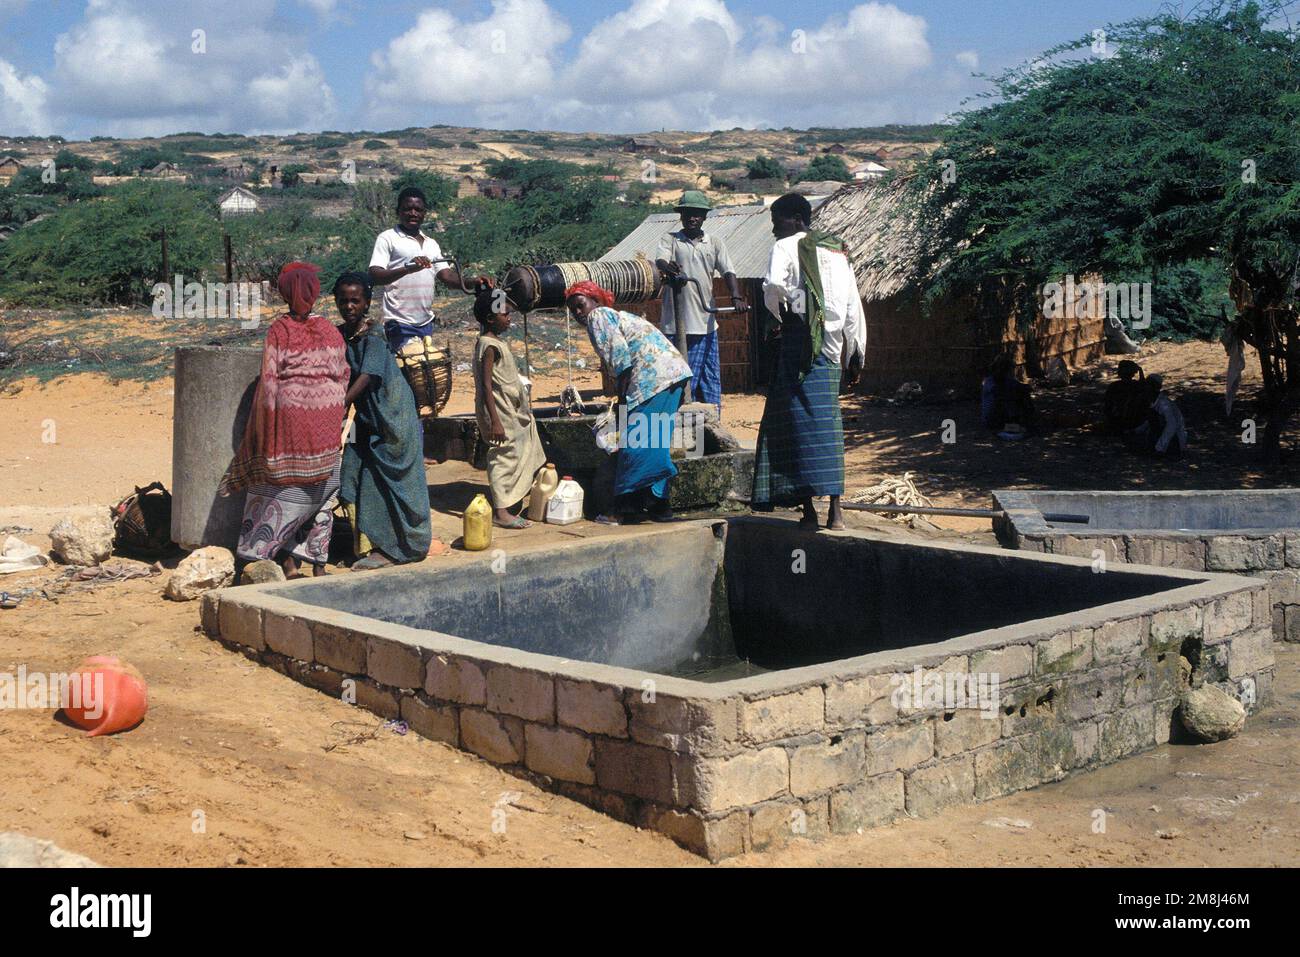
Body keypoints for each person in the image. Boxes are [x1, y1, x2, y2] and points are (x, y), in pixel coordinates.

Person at [220, 262, 348, 578]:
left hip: (292, 418)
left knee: (279, 486)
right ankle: (315, 564)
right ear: (315, 292)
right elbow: (343, 374)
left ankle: (266, 558)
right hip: (327, 418)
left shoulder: (280, 330)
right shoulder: (330, 330)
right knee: (321, 492)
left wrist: (262, 429)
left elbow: (270, 381)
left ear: (284, 292)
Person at [751, 193, 866, 531]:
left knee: (790, 426)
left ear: (797, 219)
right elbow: (852, 308)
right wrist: (855, 354)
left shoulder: (787, 247)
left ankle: (809, 512)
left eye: (777, 221)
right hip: (830, 353)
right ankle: (836, 513)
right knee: (828, 427)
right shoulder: (836, 251)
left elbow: (772, 285)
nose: (773, 229)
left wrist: (778, 313)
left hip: (798, 348)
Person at [565, 280, 692, 525]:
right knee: (653, 443)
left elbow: (621, 360)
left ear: (596, 301)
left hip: (653, 380)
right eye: (573, 310)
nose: (578, 313)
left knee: (637, 445)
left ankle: (622, 510)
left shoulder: (599, 316)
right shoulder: (616, 316)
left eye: (580, 305)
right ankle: (659, 507)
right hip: (671, 376)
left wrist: (622, 399)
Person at [333, 272, 433, 570]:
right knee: (352, 470)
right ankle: (363, 542)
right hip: (367, 418)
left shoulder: (374, 335)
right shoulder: (343, 334)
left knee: (393, 483)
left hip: (392, 420)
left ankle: (399, 547)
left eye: (355, 300)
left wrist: (343, 403)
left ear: (366, 303)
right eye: (343, 300)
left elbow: (369, 374)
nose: (349, 306)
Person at [655, 190, 746, 412]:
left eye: (697, 214)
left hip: (706, 322)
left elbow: (728, 271)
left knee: (709, 377)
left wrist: (736, 296)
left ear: (704, 217)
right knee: (685, 380)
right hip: (678, 324)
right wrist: (670, 269)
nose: (692, 218)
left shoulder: (714, 243)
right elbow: (660, 261)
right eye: (688, 214)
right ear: (681, 216)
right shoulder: (671, 240)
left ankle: (712, 427)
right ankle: (683, 428)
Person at [368, 186, 476, 353]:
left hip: (426, 322)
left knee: (424, 372)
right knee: (409, 369)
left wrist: (473, 282)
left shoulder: (431, 243)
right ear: (398, 211)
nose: (413, 213)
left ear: (424, 213)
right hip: (398, 322)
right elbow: (375, 275)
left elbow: (446, 277)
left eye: (418, 209)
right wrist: (407, 268)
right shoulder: (388, 238)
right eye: (407, 209)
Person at [473, 286, 546, 529]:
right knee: (503, 456)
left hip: (508, 409)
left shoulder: (495, 341)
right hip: (499, 410)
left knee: (518, 448)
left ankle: (512, 499)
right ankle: (501, 511)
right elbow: (485, 385)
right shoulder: (488, 345)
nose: (509, 318)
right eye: (505, 314)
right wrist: (494, 420)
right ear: (490, 318)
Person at [1129, 374, 1187, 459]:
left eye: (1149, 385)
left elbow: (1172, 425)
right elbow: (1150, 421)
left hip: (1175, 439)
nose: (1146, 387)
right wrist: (1136, 431)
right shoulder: (1152, 401)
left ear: (1155, 387)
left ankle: (1160, 450)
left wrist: (1160, 448)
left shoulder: (1164, 403)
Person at [981, 354, 1036, 438]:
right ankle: (1018, 426)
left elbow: (1023, 387)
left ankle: (1026, 422)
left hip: (1004, 418)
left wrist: (1026, 387)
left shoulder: (1008, 381)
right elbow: (1000, 395)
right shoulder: (990, 382)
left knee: (1022, 393)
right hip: (994, 420)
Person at [1102, 359, 1146, 433]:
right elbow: (1144, 386)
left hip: (1115, 421)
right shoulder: (1135, 385)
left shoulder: (1114, 386)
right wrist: (1140, 371)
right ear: (1133, 374)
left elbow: (1107, 406)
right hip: (1132, 422)